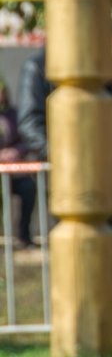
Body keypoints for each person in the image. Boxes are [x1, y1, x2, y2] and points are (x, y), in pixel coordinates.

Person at [0, 77, 38, 247]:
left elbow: (25, 138)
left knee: (29, 188)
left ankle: (24, 235)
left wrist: (16, 151)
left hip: (14, 173)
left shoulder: (14, 115)